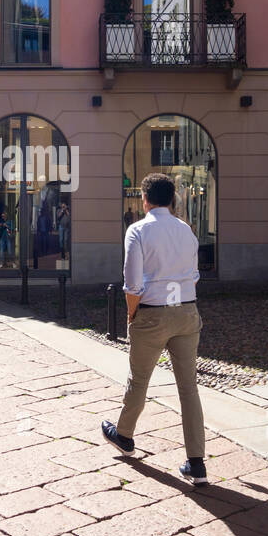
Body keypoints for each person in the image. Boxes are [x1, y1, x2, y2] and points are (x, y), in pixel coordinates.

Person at [101, 173, 207, 486]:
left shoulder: (138, 230)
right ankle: (197, 462)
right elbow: (195, 274)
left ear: (145, 200)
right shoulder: (186, 230)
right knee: (189, 388)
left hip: (152, 313)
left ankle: (124, 435)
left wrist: (132, 314)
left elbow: (132, 283)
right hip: (186, 311)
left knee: (140, 380)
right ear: (172, 199)